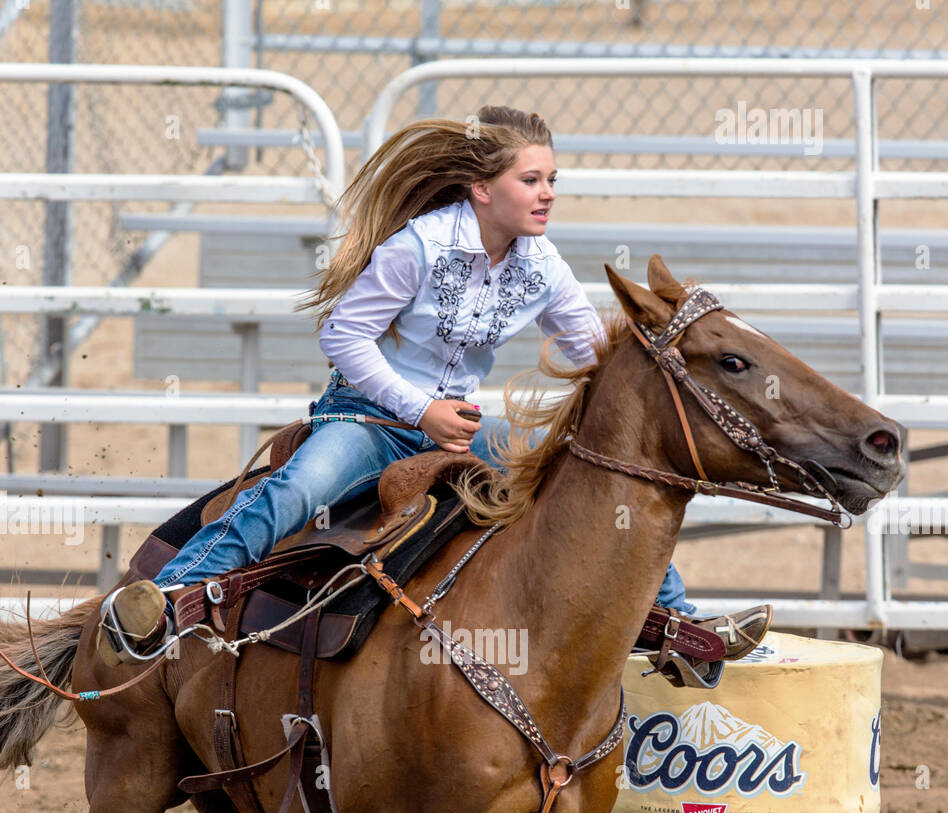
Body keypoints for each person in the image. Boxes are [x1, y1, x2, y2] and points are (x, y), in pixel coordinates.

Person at [98, 105, 769, 681]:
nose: (547, 194)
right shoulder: (417, 249)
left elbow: (592, 351)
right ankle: (166, 596)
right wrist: (420, 410)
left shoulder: (542, 265)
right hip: (367, 419)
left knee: (594, 483)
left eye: (552, 180)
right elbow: (344, 337)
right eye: (530, 180)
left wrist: (659, 361)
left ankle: (676, 623)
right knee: (301, 487)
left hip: (460, 427)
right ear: (482, 188)